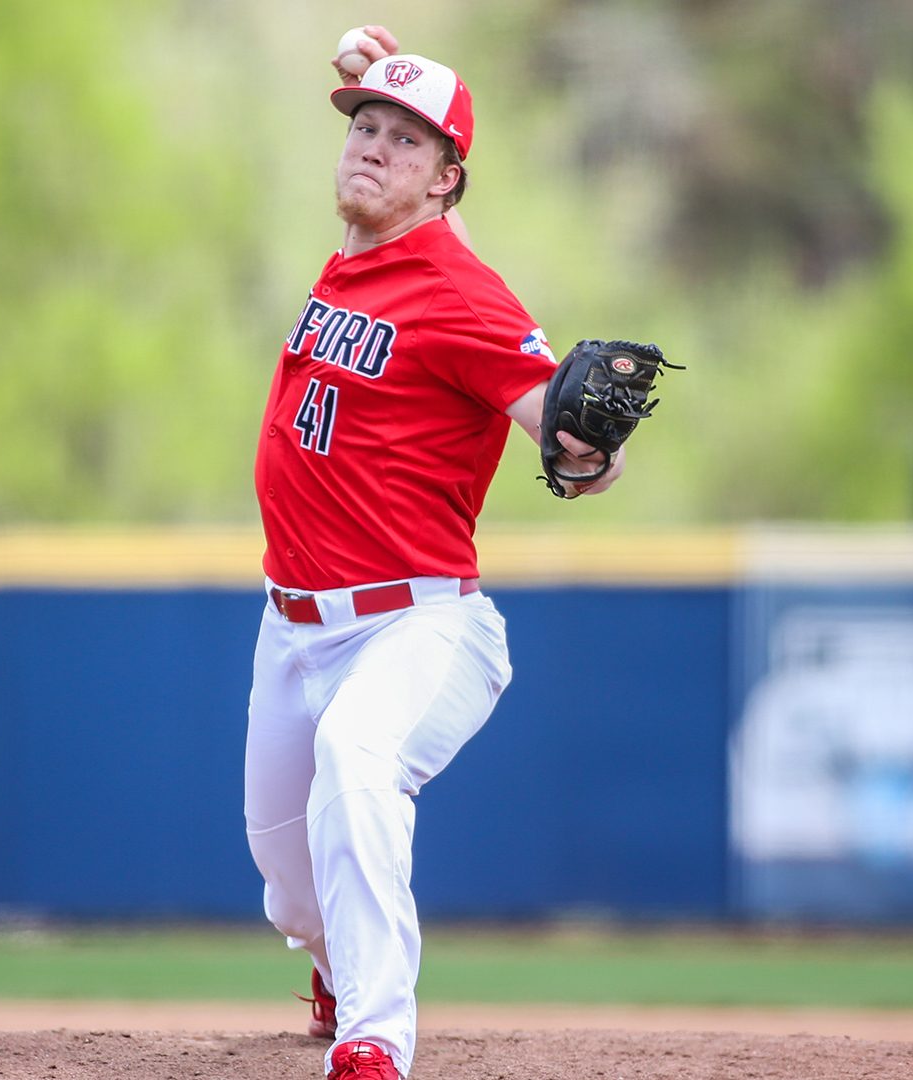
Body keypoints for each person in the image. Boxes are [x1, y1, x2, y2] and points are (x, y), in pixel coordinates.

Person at [242, 27, 623, 1080]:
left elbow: (570, 435)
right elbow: (390, 157)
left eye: (404, 143)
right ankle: (330, 965)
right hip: (293, 625)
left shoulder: (459, 293)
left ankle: (375, 1037)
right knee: (286, 879)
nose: (372, 146)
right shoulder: (360, 261)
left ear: (448, 182)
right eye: (363, 128)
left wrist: (587, 447)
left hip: (416, 622)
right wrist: (384, 80)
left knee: (358, 762)